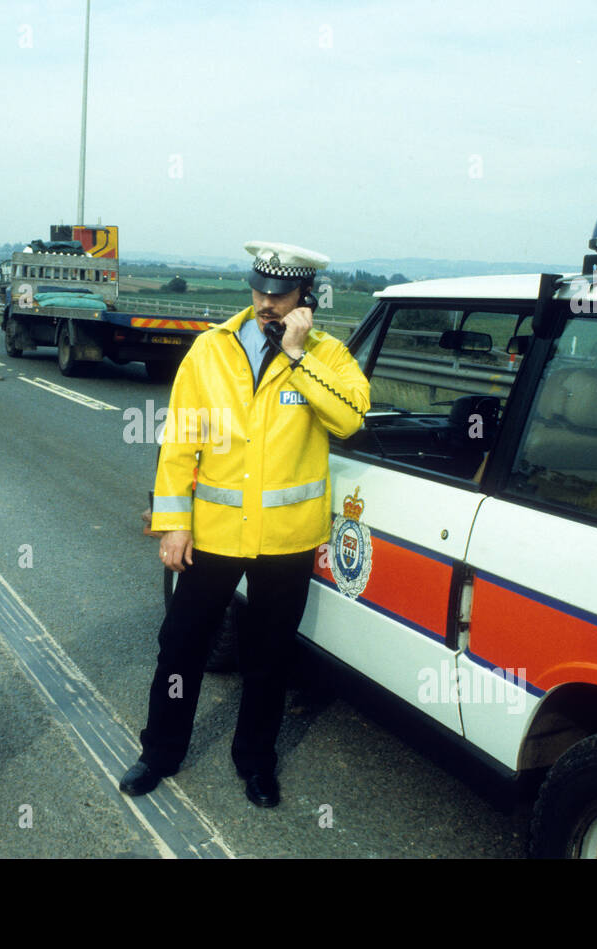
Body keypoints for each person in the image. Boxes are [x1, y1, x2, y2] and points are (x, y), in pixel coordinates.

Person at [121, 241, 370, 807]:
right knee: (180, 645)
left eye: (279, 295)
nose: (266, 303)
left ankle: (255, 762)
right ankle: (159, 753)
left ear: (304, 297)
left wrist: (299, 356)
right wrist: (173, 525)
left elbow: (350, 418)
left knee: (269, 656)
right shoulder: (210, 351)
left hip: (285, 539)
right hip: (212, 532)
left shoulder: (327, 354)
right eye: (259, 290)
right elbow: (179, 442)